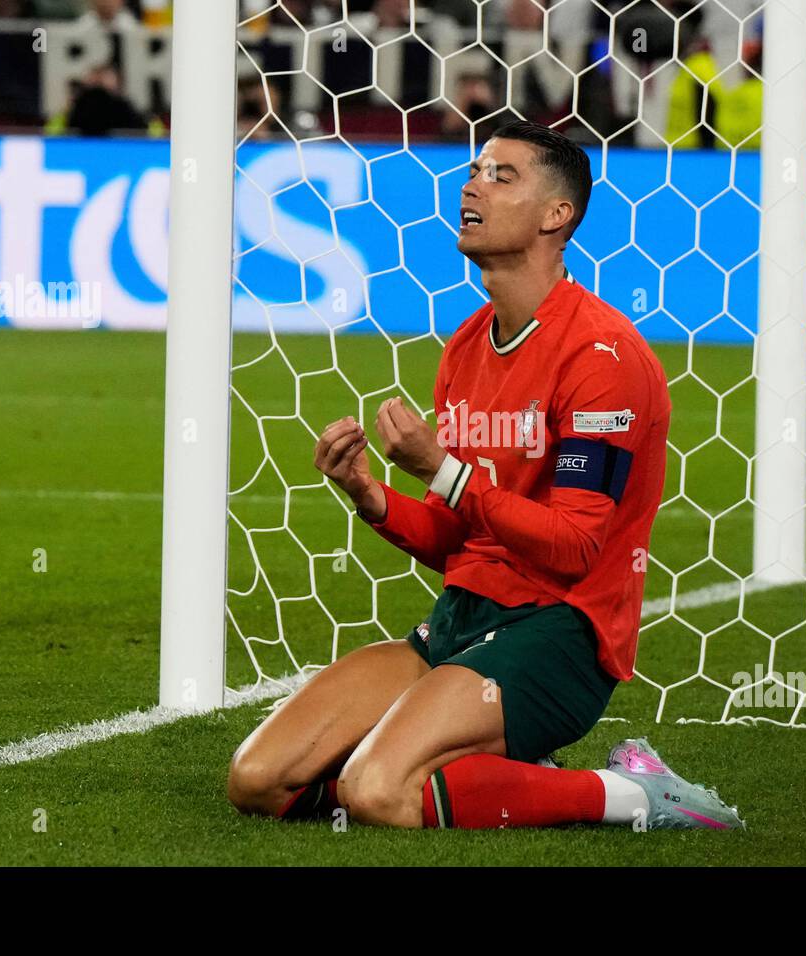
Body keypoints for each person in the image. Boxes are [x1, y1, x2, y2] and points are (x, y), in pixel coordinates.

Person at [226, 120, 745, 831]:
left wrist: (443, 471)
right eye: (474, 170)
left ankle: (633, 792)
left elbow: (573, 546)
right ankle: (501, 775)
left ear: (557, 215)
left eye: (502, 175)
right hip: (463, 621)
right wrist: (371, 497)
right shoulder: (467, 346)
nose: (472, 184)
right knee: (258, 781)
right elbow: (458, 537)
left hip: (561, 631)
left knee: (378, 790)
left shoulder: (602, 357)